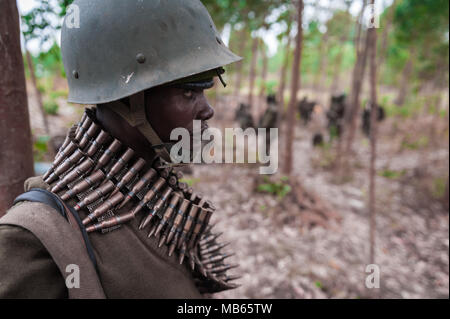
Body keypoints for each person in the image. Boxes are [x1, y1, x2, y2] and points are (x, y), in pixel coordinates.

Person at [0, 0, 241, 299]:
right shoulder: (34, 240)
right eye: (189, 92)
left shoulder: (153, 188)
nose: (207, 110)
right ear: (128, 99)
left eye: (205, 90)